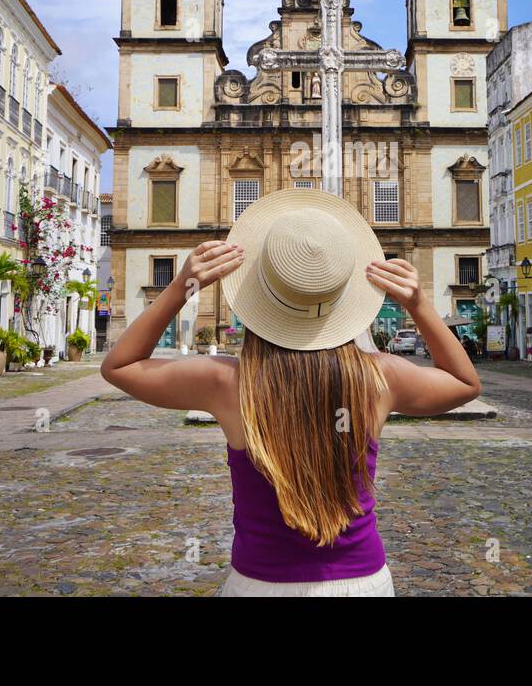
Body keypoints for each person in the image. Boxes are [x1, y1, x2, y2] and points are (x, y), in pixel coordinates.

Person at [100, 188, 481, 597]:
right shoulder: (378, 378)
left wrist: (181, 287)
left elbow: (119, 366)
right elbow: (465, 383)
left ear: (260, 298)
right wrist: (419, 304)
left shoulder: (227, 383)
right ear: (342, 296)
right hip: (362, 583)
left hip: (260, 584)